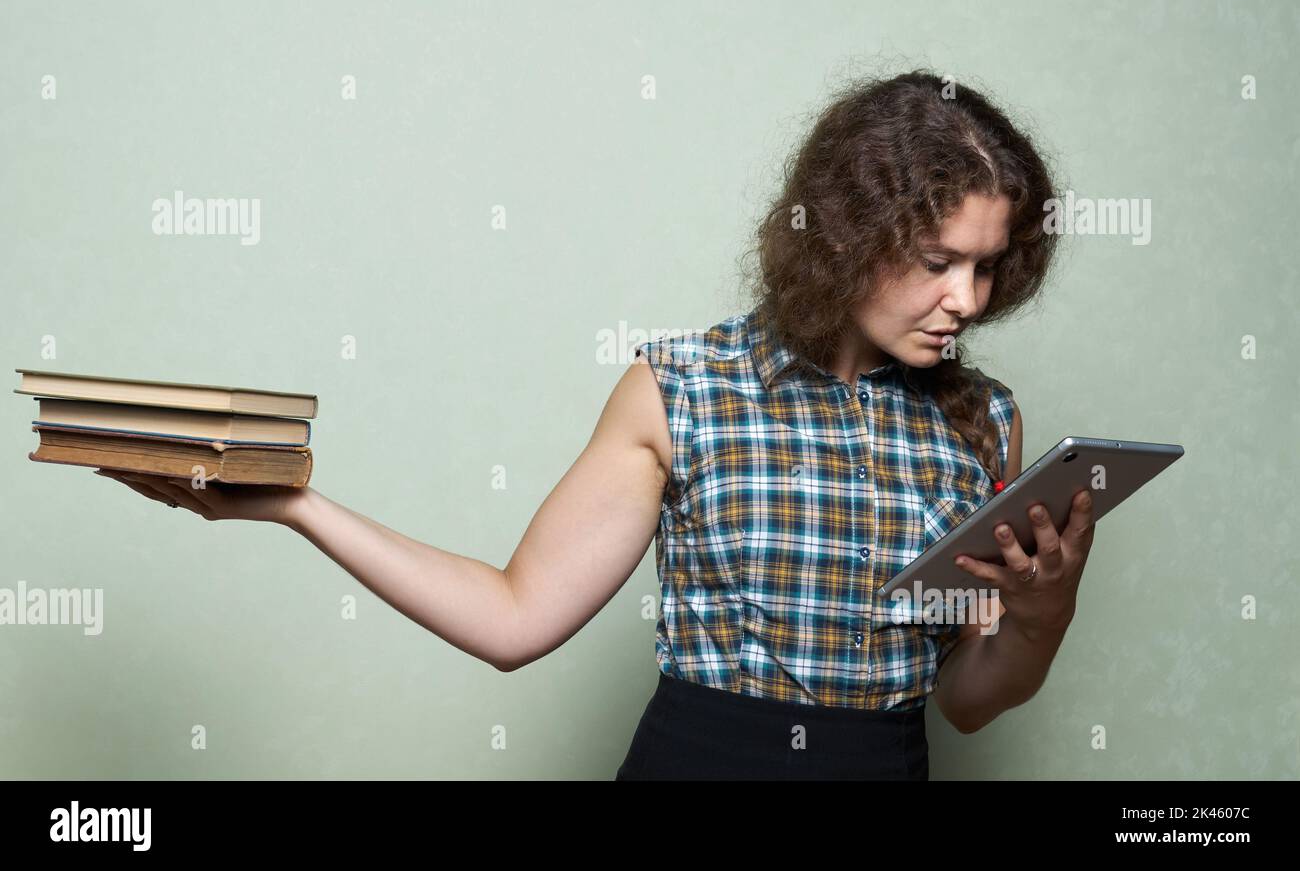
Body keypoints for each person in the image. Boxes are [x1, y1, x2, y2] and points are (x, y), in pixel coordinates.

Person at [96, 69, 1097, 781]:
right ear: (846, 234)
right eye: (936, 259)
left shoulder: (983, 422)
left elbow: (968, 702)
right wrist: (295, 506)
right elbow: (512, 619)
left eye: (985, 264)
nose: (966, 297)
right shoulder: (685, 387)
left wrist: (1043, 611)